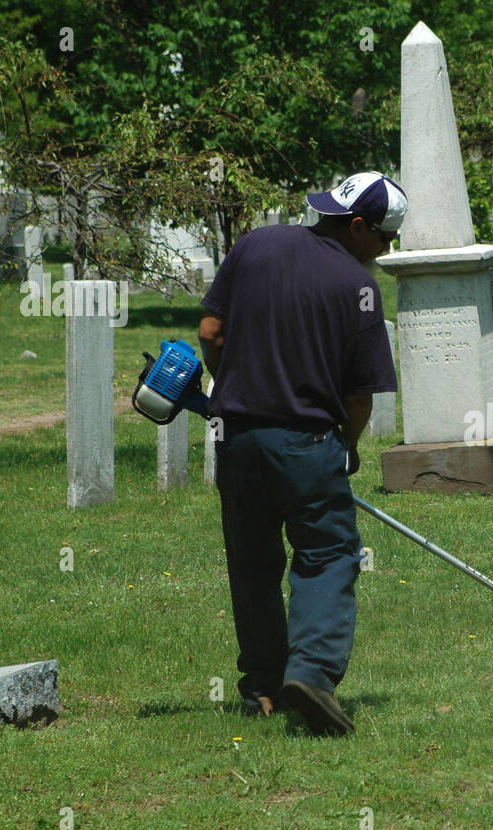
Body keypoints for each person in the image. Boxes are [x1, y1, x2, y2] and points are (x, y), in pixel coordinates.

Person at [197, 171, 406, 736]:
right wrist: (349, 449)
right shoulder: (357, 287)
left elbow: (211, 330)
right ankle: (310, 674)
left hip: (236, 441)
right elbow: (359, 397)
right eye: (386, 239)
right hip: (309, 444)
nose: (386, 252)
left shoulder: (255, 244)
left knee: (253, 565)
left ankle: (263, 688)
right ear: (359, 227)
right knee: (328, 554)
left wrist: (232, 387)